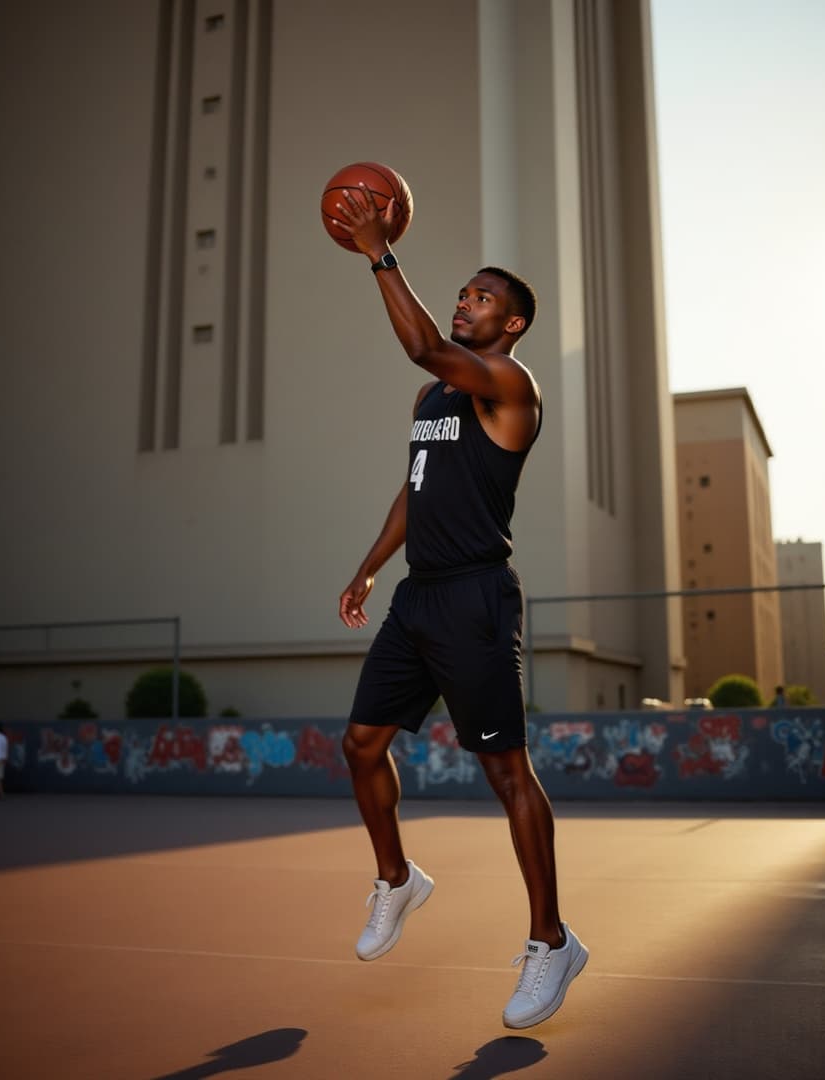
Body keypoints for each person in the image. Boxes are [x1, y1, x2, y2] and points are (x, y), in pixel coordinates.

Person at [332, 183, 587, 1029]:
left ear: (510, 324)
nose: (465, 301)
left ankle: (551, 941)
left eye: (481, 297)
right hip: (418, 597)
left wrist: (380, 252)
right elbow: (414, 488)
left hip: (479, 595)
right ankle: (399, 881)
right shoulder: (433, 402)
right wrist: (370, 568)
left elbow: (423, 349)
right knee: (361, 744)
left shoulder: (509, 387)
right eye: (464, 293)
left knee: (506, 773)